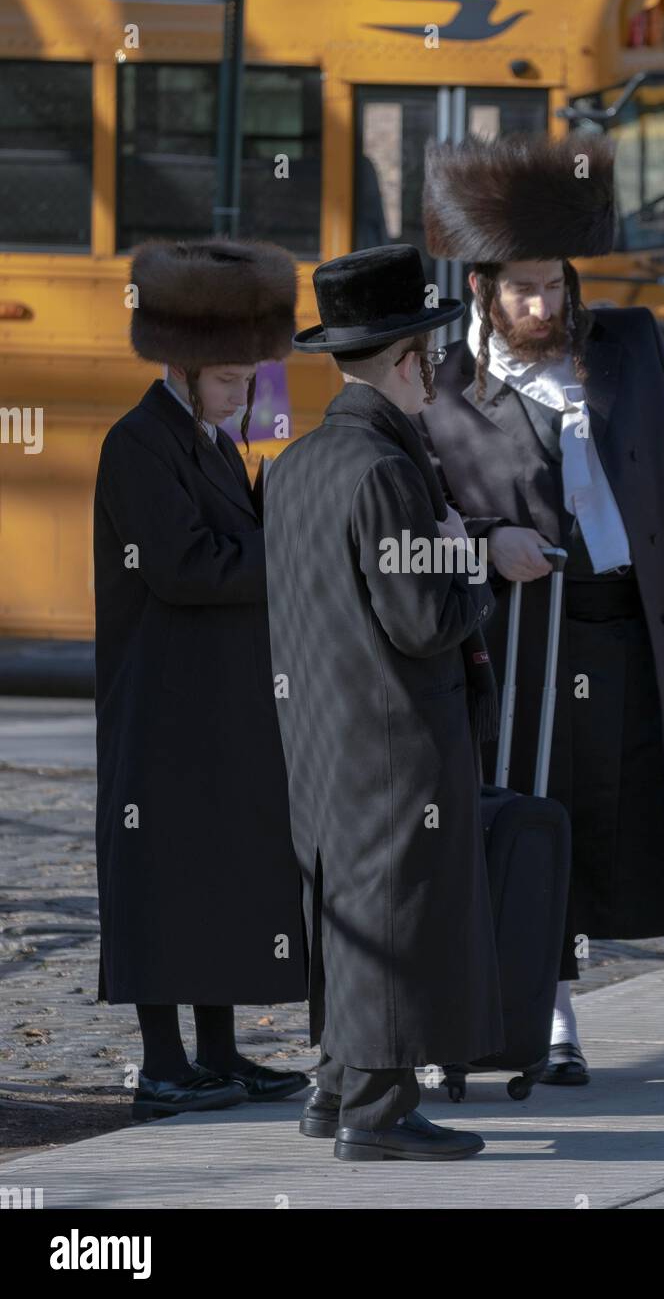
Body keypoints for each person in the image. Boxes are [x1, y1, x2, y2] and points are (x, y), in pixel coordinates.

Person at [418, 130, 664, 1090]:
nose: (542, 304)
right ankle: (554, 1033)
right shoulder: (445, 388)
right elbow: (430, 510)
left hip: (652, 630)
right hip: (532, 642)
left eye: (552, 283)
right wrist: (486, 541)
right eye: (522, 289)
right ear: (482, 292)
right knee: (549, 826)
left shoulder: (630, 341)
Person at [264, 244, 505, 1161]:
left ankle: (334, 1088)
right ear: (406, 362)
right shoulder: (385, 471)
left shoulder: (297, 464)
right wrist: (465, 555)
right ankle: (377, 1113)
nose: (439, 372)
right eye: (433, 357)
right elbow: (421, 619)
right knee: (395, 915)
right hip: (396, 734)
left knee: (348, 908)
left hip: (323, 730)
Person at [93, 237, 311, 1121]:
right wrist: (294, 552)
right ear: (181, 368)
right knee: (162, 876)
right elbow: (184, 567)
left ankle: (217, 1055)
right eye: (229, 379)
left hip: (221, 698)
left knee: (222, 870)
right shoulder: (137, 443)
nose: (246, 394)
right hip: (162, 700)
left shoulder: (216, 443)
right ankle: (162, 1066)